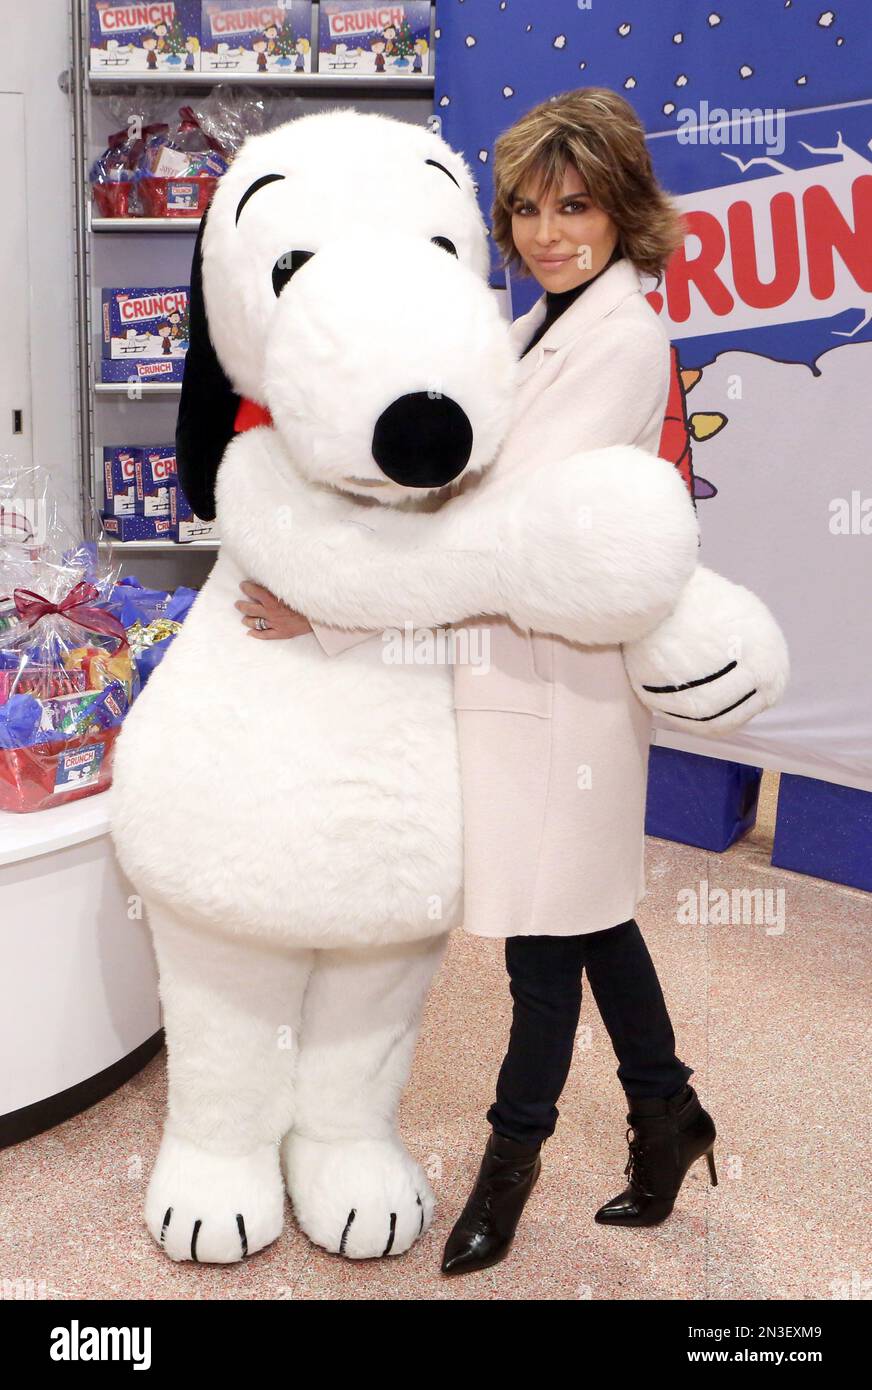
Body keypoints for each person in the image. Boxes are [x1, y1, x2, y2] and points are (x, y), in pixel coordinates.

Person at [235, 88, 717, 1278]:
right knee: (588, 916)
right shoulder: (529, 328)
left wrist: (330, 607)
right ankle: (667, 1115)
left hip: (558, 689)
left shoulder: (618, 338)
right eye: (528, 209)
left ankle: (510, 1170)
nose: (548, 231)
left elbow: (488, 535)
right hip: (512, 674)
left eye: (575, 205)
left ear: (620, 210)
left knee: (541, 946)